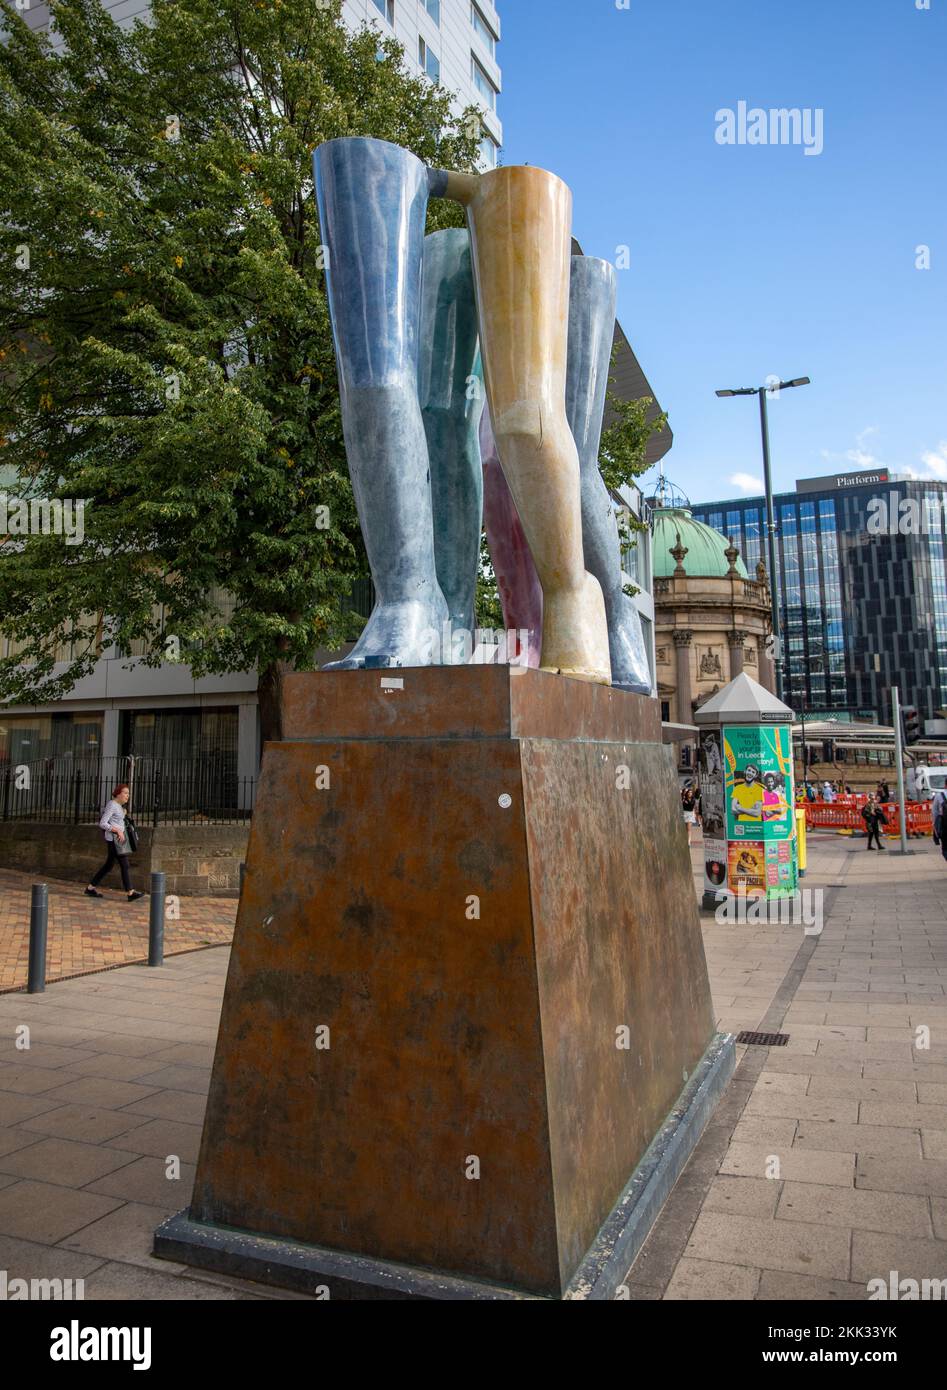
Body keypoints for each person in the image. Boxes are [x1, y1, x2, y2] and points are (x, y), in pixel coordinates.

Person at [86, 783, 143, 901]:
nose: (128, 796)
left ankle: (90, 888)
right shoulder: (112, 805)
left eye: (128, 793)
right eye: (125, 793)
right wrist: (117, 830)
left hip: (117, 841)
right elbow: (102, 823)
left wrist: (123, 814)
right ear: (118, 793)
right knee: (125, 865)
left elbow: (117, 819)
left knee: (108, 865)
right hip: (114, 841)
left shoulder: (118, 806)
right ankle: (130, 892)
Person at [933, 787, 947, 864]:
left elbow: (935, 812)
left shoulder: (939, 796)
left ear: (945, 785)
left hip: (944, 825)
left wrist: (935, 825)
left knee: (945, 848)